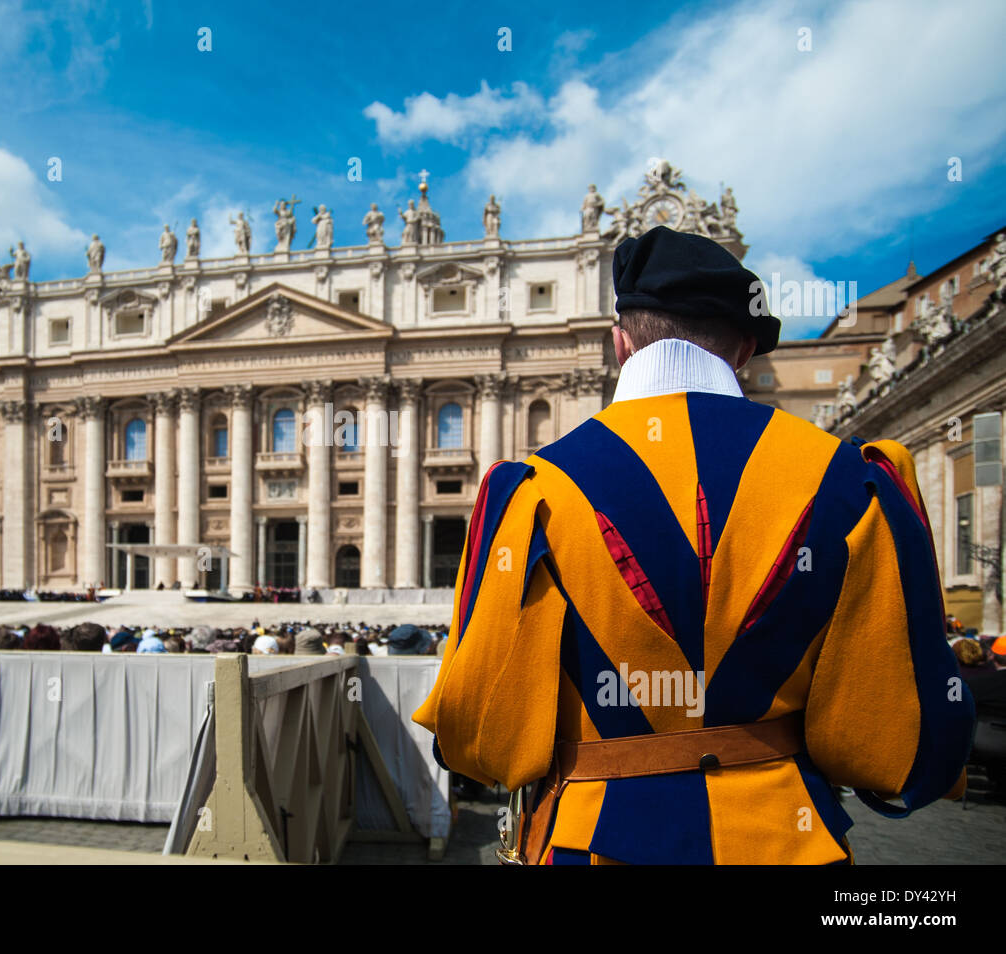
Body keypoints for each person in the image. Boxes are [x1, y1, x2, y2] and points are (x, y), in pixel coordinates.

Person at [413, 226, 976, 865]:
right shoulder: (857, 480)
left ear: (619, 342)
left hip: (593, 841)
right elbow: (886, 737)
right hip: (790, 844)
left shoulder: (533, 491)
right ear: (743, 349)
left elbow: (482, 735)